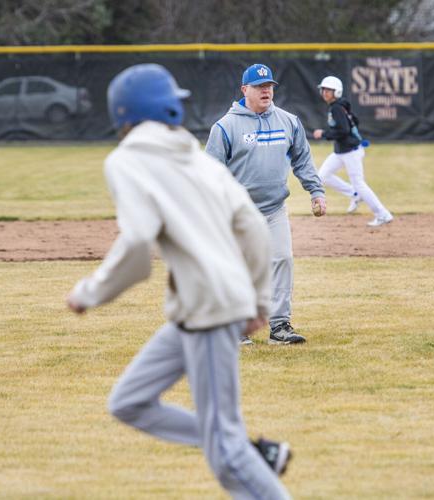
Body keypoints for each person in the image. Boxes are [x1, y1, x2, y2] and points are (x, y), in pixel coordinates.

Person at [66, 64, 293, 500]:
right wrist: (258, 301)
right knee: (129, 402)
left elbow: (137, 247)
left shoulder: (126, 160)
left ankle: (239, 449)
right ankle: (250, 449)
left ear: (123, 113)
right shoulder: (192, 154)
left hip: (210, 308)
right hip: (198, 307)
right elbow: (251, 225)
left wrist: (89, 292)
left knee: (227, 457)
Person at [206, 63, 326, 346]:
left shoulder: (288, 121)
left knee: (282, 260)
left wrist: (316, 191)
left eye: (269, 86)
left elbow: (303, 159)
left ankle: (280, 325)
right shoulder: (225, 127)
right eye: (259, 86)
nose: (266, 91)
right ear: (244, 90)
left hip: (274, 209)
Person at [313, 76, 393, 227]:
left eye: (328, 90)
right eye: (323, 89)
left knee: (359, 184)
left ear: (337, 92)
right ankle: (354, 194)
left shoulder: (337, 107)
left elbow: (343, 130)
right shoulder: (340, 105)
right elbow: (355, 121)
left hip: (350, 152)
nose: (324, 92)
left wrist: (324, 134)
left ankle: (383, 214)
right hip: (341, 151)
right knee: (322, 176)